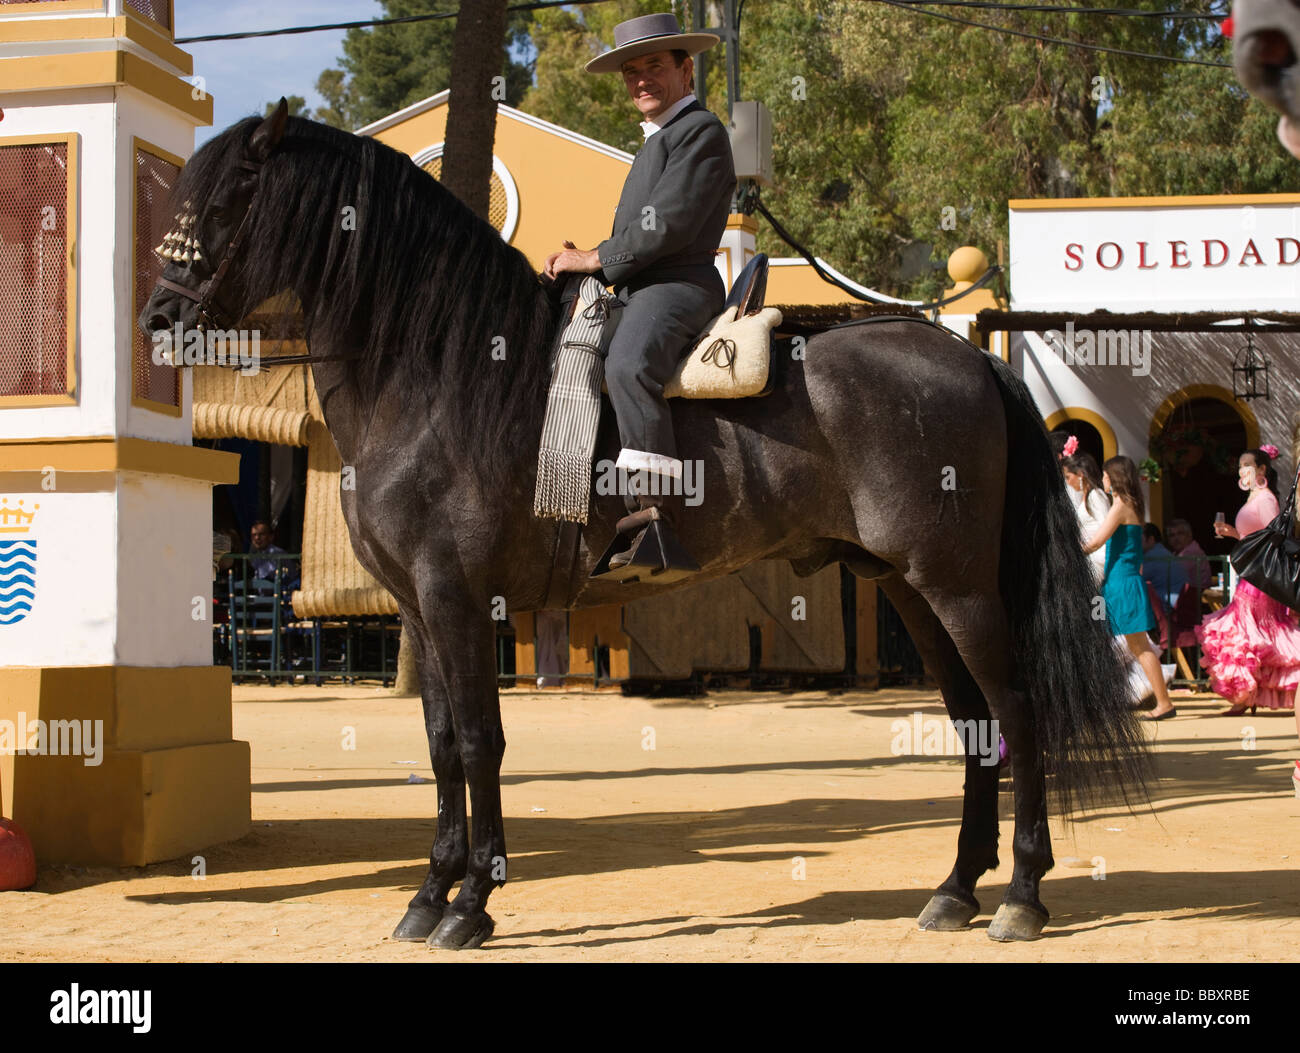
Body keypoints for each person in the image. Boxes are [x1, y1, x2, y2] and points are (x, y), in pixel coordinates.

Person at [542, 12, 736, 573]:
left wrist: (598, 258)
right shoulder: (656, 142)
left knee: (628, 365)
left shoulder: (701, 131)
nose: (642, 79)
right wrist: (589, 262)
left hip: (678, 284)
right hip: (637, 286)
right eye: (632, 71)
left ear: (686, 70)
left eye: (654, 65)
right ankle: (566, 495)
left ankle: (656, 517)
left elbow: (667, 225)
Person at [1196, 447, 1300, 716]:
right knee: (1249, 633)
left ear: (1261, 470)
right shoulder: (1256, 497)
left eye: (1247, 465)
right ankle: (1247, 695)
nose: (1242, 470)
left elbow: (1272, 541)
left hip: (1260, 578)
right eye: (1240, 465)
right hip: (1252, 575)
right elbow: (1255, 540)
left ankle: (1247, 697)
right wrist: (1232, 532)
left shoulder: (1265, 499)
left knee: (1251, 633)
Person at [1083, 455, 1177, 719]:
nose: (1102, 480)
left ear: (1114, 477)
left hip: (1121, 584)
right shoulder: (1132, 504)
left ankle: (1163, 702)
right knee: (1136, 645)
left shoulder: (1121, 505)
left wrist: (1067, 551)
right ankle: (1161, 701)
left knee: (1137, 646)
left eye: (1105, 475)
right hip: (1124, 581)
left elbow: (1095, 542)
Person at [1062, 448, 1109, 586]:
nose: (1068, 482)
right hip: (1089, 558)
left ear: (1080, 474)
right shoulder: (1086, 497)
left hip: (1097, 560)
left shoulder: (1096, 495)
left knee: (1096, 603)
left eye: (1068, 477)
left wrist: (1084, 549)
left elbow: (1106, 528)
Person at [1140, 523, 1187, 614]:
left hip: (1169, 609)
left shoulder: (1153, 556)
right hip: (1179, 605)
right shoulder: (1161, 552)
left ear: (1151, 539)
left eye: (1139, 539)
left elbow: (1136, 579)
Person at [1165, 517, 1211, 591]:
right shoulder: (1176, 553)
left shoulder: (1192, 551)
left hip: (1196, 597)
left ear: (1189, 535)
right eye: (1172, 535)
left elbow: (1172, 575)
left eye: (1180, 533)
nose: (1176, 538)